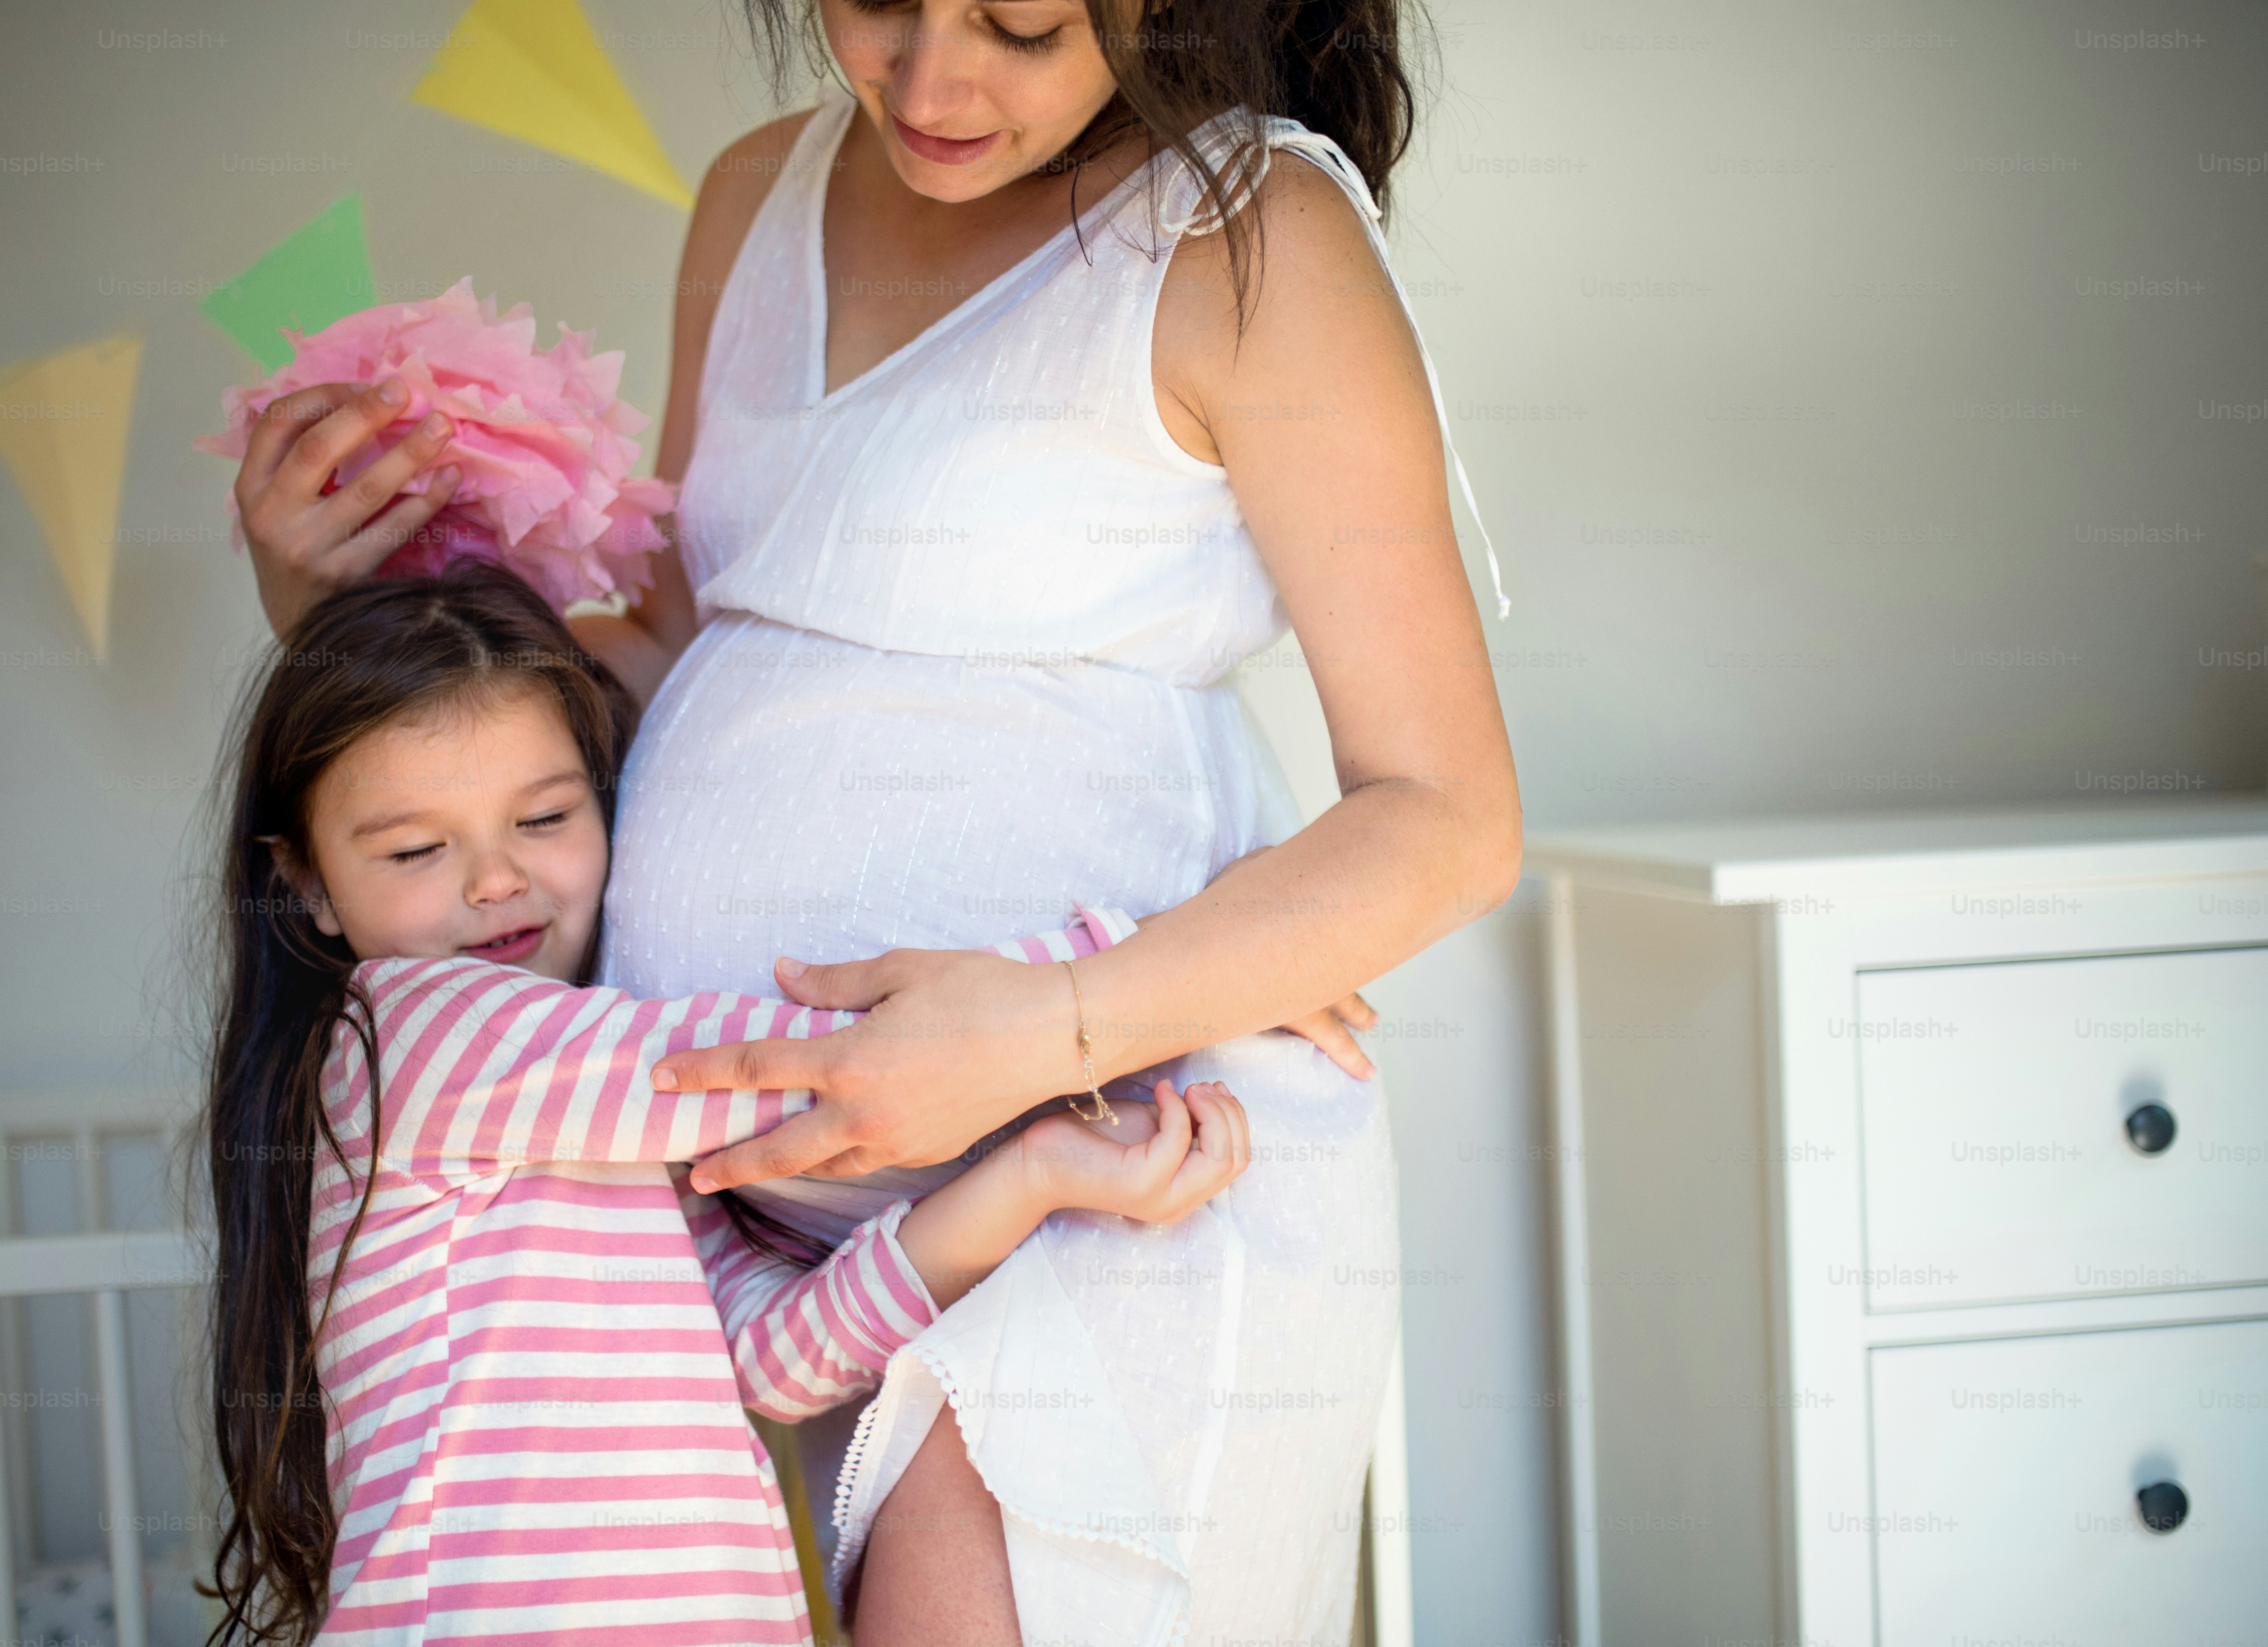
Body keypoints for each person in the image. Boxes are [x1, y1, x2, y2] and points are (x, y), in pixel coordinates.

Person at [230, 4, 1521, 1638]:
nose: (929, 78)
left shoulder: (1251, 231)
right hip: (819, 1238)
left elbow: (1448, 818)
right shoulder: (752, 197)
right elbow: (672, 657)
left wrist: (1060, 1014)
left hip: (1143, 1150)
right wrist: (336, 618)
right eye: (877, 3)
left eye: (1020, 23)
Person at [201, 563, 1252, 1644]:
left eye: (545, 816)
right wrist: (1145, 975)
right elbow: (803, 1063)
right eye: (418, 849)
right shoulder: (402, 1036)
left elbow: (776, 1361)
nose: (495, 878)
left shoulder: (616, 1138)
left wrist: (1034, 1174)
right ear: (309, 882)